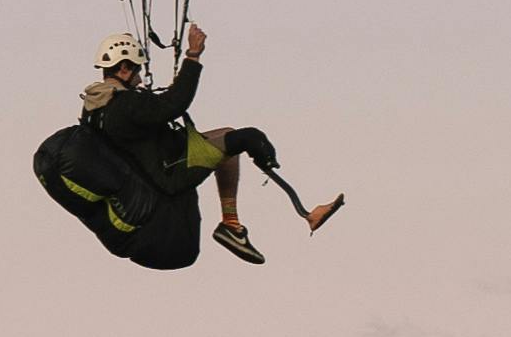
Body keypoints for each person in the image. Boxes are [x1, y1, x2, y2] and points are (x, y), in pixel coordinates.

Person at [31, 18, 340, 268]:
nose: (139, 75)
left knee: (229, 137)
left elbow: (150, 119)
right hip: (166, 179)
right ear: (123, 69)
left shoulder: (98, 106)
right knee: (246, 137)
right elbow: (172, 106)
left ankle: (231, 224)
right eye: (136, 68)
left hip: (158, 163)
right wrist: (192, 56)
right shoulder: (124, 105)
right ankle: (289, 215)